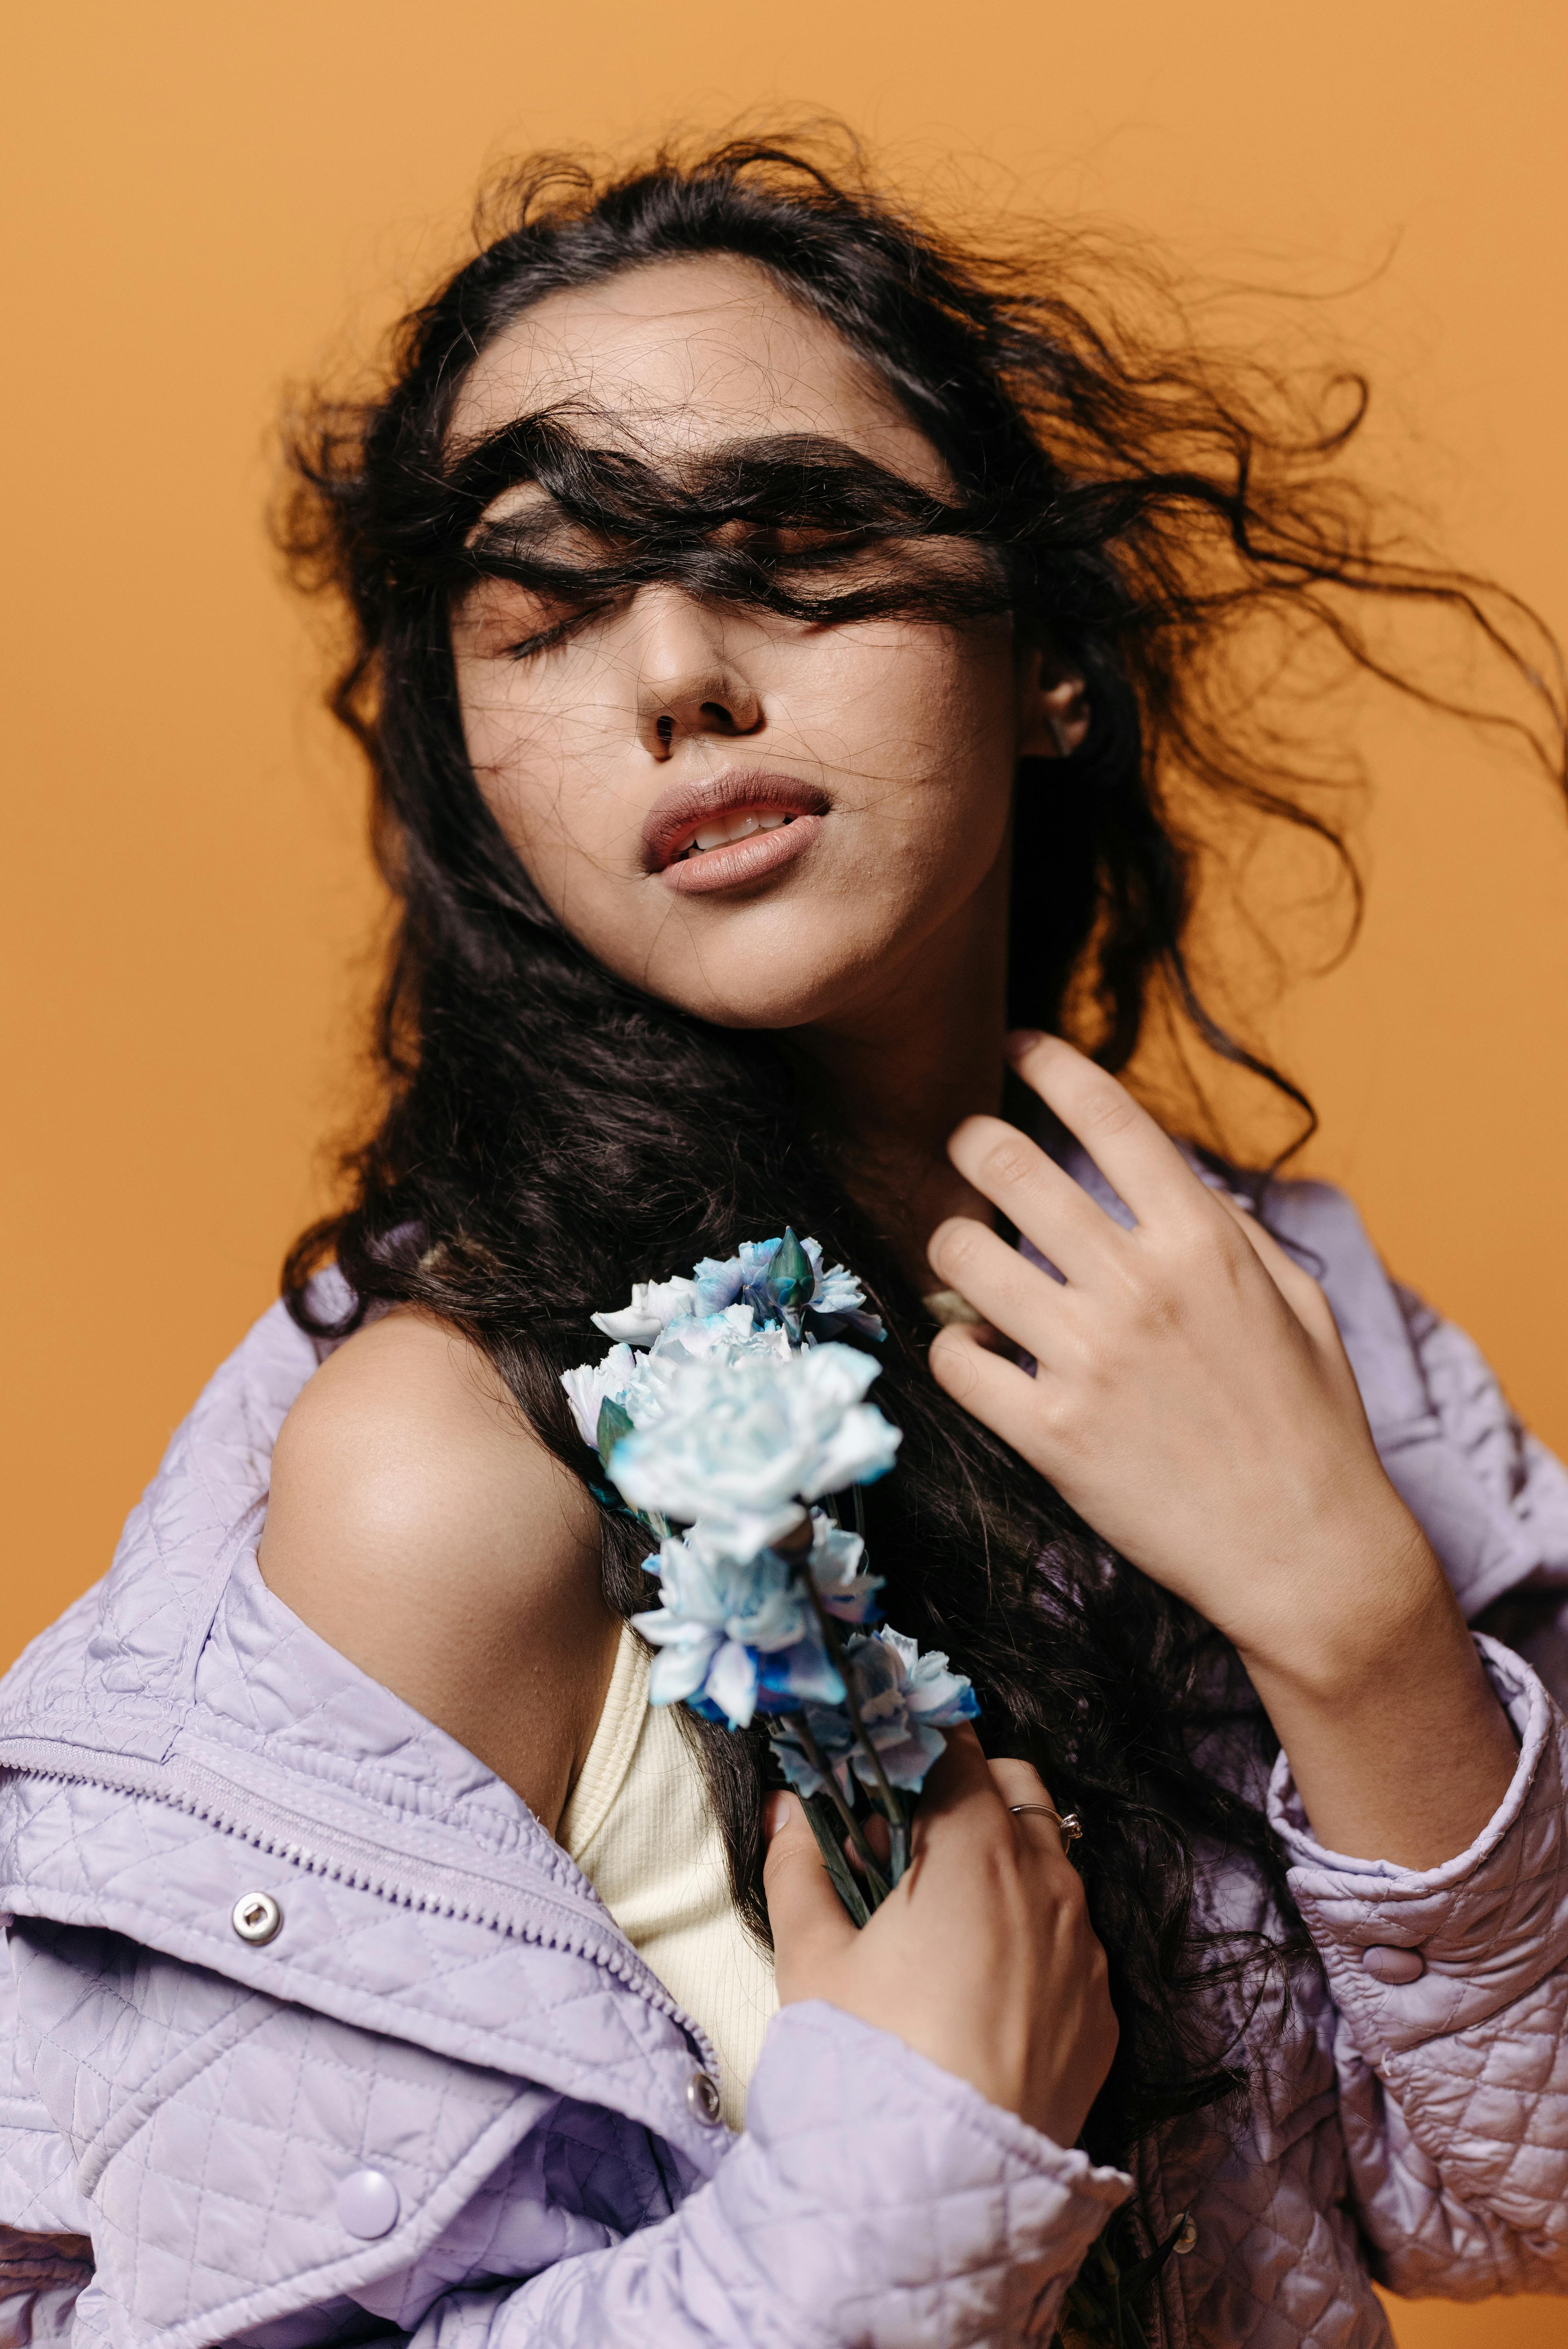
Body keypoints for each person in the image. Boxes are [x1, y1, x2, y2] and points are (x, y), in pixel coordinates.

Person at [3, 134, 1566, 2349]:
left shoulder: (1260, 1313)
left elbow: (1511, 2198)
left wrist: (1361, 1621)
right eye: (544, 614)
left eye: (799, 543)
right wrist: (905, 2179)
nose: (679, 674)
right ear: (480, 774)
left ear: (1044, 655)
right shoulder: (435, 1475)